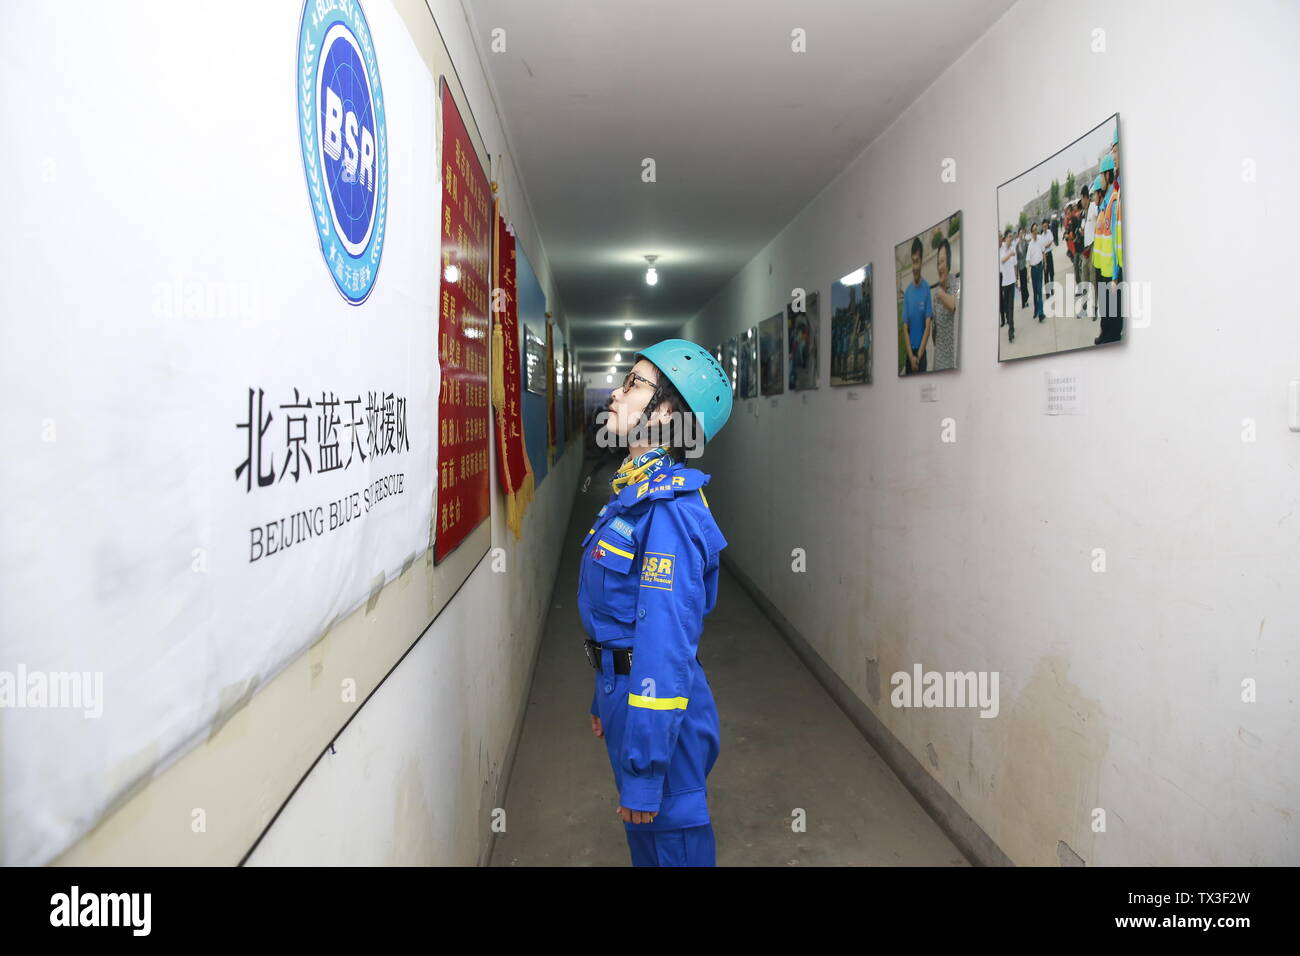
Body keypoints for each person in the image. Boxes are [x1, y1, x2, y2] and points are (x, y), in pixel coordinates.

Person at [580, 339, 732, 867]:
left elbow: (664, 646)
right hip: (630, 700)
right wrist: (606, 697)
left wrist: (645, 772)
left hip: (661, 717)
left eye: (634, 384)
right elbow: (614, 617)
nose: (616, 396)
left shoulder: (666, 510)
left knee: (672, 848)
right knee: (648, 852)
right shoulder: (633, 495)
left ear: (666, 413)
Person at [1092, 152, 1123, 344]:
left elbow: (1113, 241)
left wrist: (1114, 276)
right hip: (1103, 266)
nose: (1101, 180)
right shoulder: (1105, 204)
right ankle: (1106, 335)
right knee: (1107, 310)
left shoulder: (1112, 200)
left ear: (1108, 175)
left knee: (1112, 315)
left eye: (1102, 175)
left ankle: (1110, 338)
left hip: (1109, 268)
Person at [901, 236, 932, 374]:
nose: (914, 267)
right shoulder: (907, 293)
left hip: (921, 355)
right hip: (909, 356)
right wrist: (911, 358)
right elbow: (905, 329)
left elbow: (927, 327)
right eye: (913, 262)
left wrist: (918, 356)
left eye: (917, 262)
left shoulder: (926, 289)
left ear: (922, 262)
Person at [998, 230, 1017, 343]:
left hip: (1012, 281)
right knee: (1007, 306)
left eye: (1012, 237)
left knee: (1011, 306)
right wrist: (1010, 254)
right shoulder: (1001, 249)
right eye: (1009, 237)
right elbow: (1002, 261)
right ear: (1005, 238)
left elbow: (1015, 265)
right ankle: (1010, 323)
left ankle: (1011, 330)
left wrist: (1017, 279)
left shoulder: (1013, 248)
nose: (1011, 238)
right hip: (1004, 282)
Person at [1026, 221, 1045, 320]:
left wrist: (1044, 265)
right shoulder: (1030, 245)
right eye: (1033, 231)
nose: (1035, 232)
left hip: (1040, 267)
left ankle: (1041, 313)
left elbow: (1043, 251)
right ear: (1031, 233)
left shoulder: (1041, 239)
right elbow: (1028, 260)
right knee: (1035, 292)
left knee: (1039, 290)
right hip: (1033, 270)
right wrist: (1028, 274)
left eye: (1036, 230)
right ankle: (1036, 310)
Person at [1016, 227, 1029, 309]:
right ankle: (1023, 301)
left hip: (1025, 264)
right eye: (1020, 233)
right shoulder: (1017, 246)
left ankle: (1026, 298)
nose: (1021, 234)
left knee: (1025, 284)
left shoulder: (1025, 242)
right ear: (1018, 235)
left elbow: (1028, 254)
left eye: (1022, 233)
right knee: (1022, 284)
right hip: (1020, 266)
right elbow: (1016, 258)